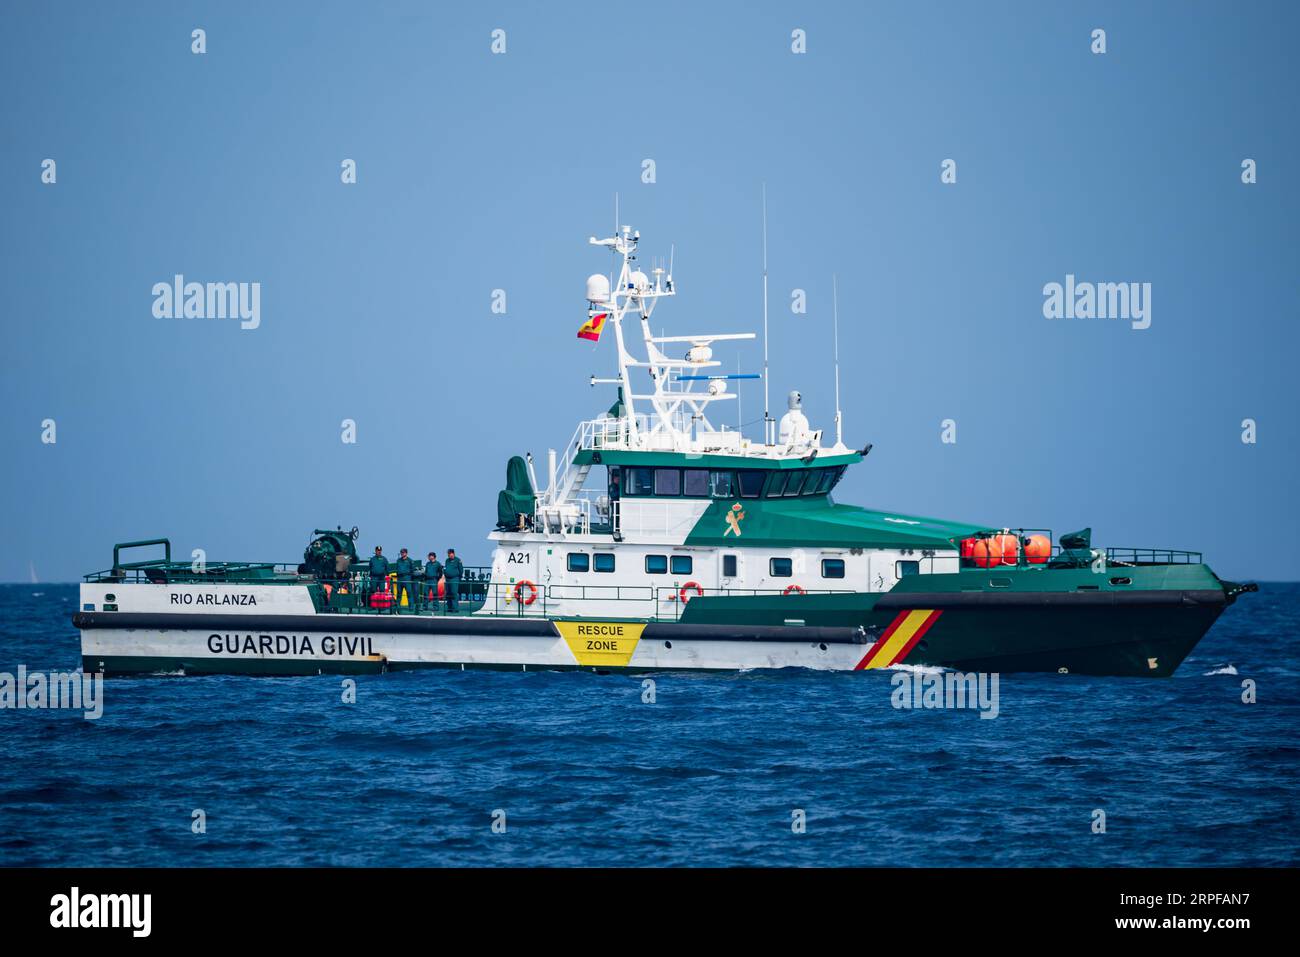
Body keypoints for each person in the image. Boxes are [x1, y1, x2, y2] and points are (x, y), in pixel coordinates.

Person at [443, 548, 464, 613]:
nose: (450, 555)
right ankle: (449, 607)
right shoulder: (447, 560)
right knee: (448, 593)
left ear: (453, 553)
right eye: (449, 554)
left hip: (454, 579)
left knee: (454, 593)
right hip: (447, 579)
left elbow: (461, 570)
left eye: (451, 553)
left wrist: (458, 578)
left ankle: (455, 608)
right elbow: (445, 568)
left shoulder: (458, 560)